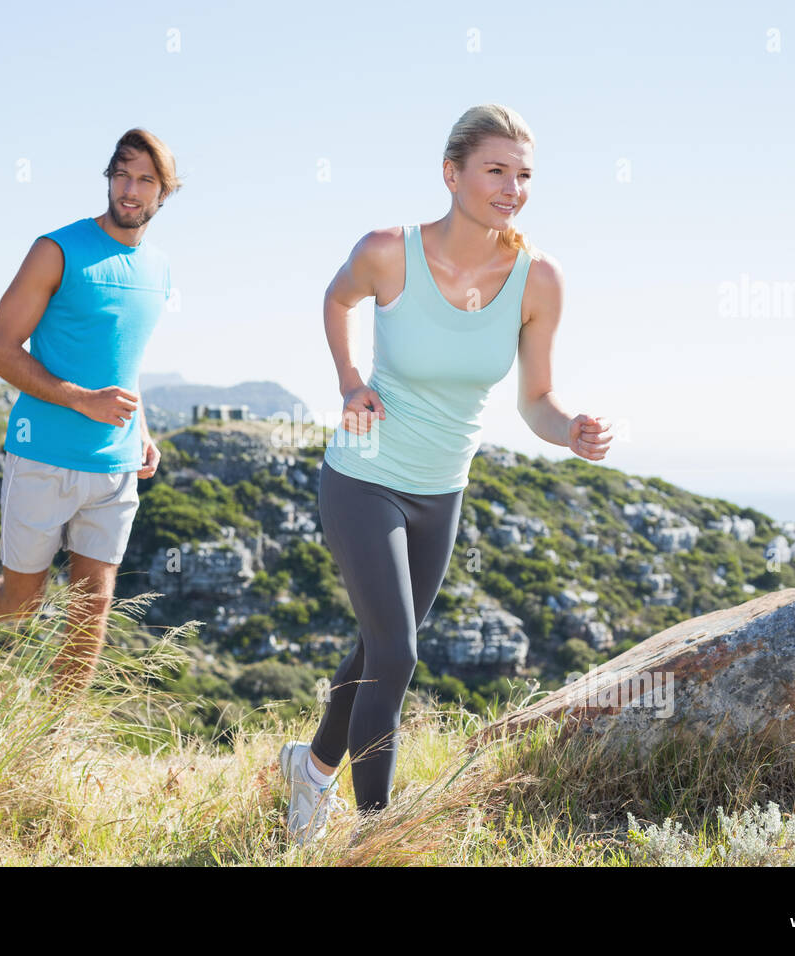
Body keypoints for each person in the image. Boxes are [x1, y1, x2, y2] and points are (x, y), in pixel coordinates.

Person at [280, 103, 612, 844]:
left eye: (523, 175)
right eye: (496, 170)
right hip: (365, 477)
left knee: (375, 652)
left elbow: (535, 401)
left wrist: (571, 432)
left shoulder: (538, 279)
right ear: (451, 173)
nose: (512, 188)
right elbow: (337, 299)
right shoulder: (388, 251)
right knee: (397, 652)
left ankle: (310, 771)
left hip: (441, 493)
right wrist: (348, 380)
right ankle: (378, 837)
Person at [0, 128, 180, 701]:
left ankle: (56, 739)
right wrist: (82, 400)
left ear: (164, 192)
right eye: (121, 175)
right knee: (25, 603)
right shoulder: (56, 249)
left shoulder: (159, 271)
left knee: (92, 607)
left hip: (114, 464)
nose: (130, 190)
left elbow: (121, 365)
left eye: (145, 180)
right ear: (109, 178)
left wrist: (143, 432)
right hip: (43, 454)